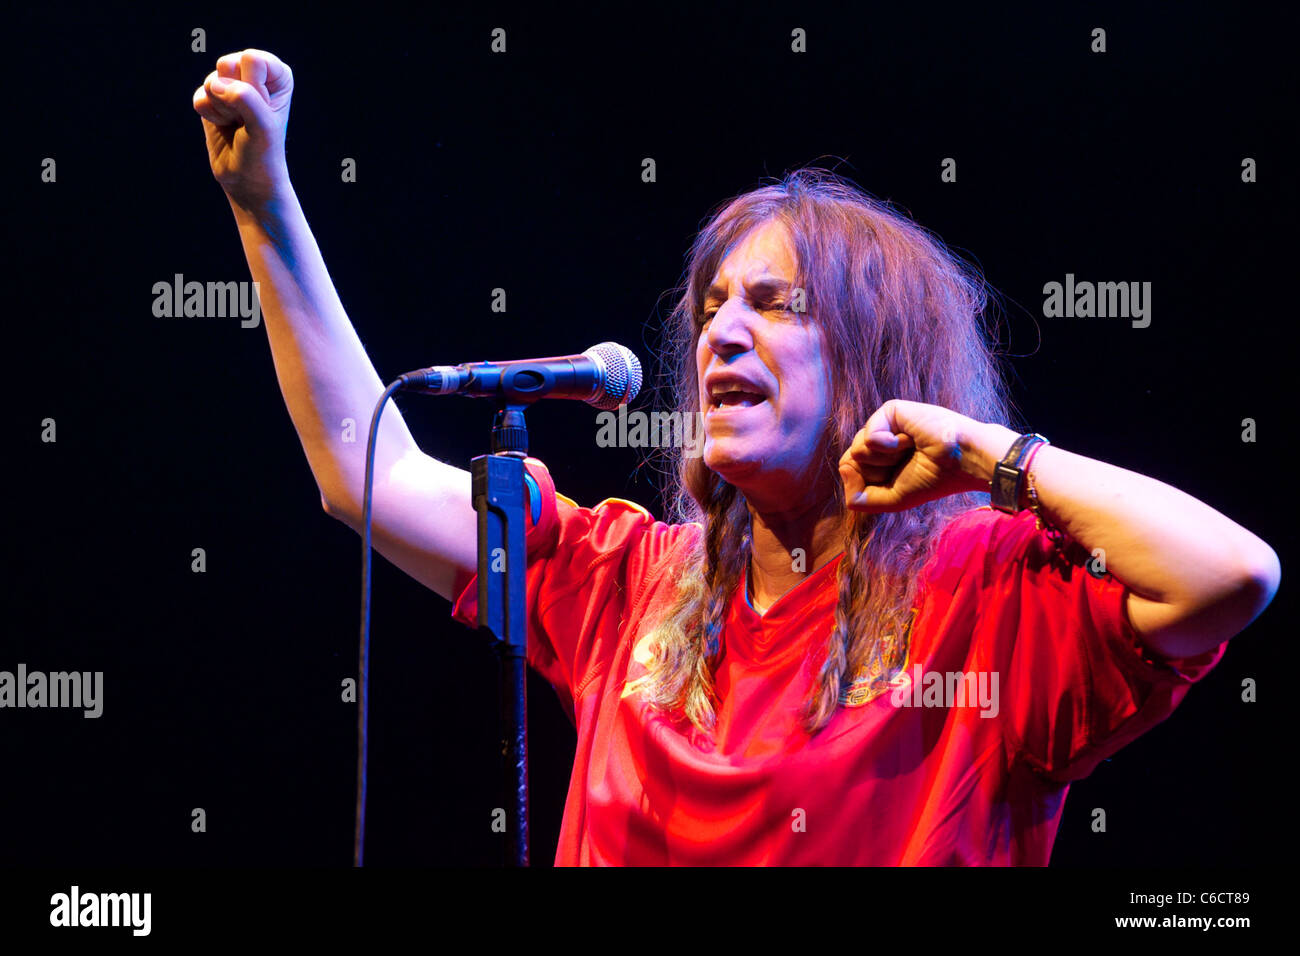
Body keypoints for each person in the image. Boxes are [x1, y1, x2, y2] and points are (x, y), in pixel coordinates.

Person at [195, 49, 1281, 865]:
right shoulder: (627, 582)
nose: (717, 331)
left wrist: (993, 455)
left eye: (771, 305)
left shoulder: (991, 603)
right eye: (712, 305)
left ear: (874, 358)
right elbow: (365, 476)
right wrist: (264, 206)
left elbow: (1228, 573)